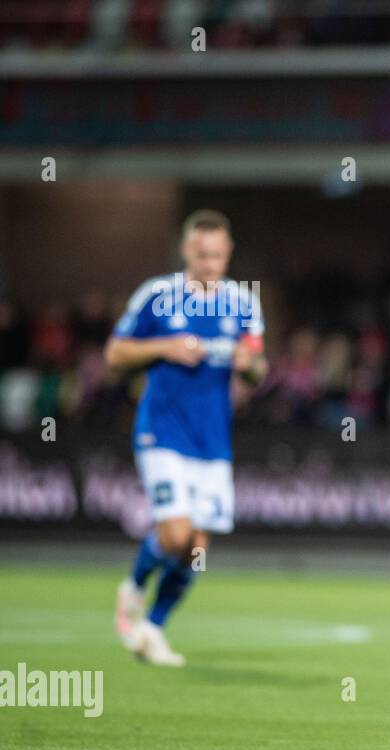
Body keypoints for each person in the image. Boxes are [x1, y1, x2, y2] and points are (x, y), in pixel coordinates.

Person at [108, 210, 268, 666]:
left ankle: (153, 629)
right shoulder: (157, 296)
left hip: (213, 439)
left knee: (197, 548)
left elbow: (258, 368)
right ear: (186, 250)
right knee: (176, 535)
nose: (209, 262)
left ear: (228, 252)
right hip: (162, 431)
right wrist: (165, 347)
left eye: (217, 255)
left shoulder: (243, 304)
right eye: (201, 254)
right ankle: (135, 586)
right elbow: (115, 354)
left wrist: (247, 363)